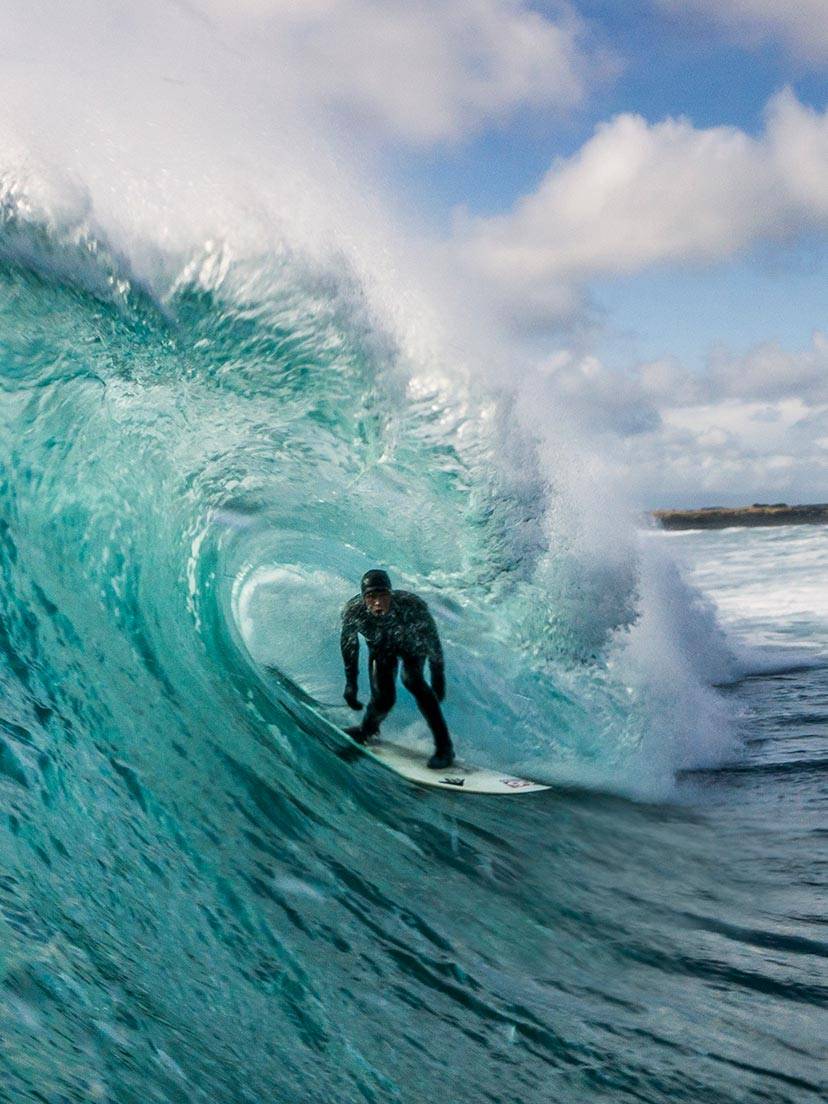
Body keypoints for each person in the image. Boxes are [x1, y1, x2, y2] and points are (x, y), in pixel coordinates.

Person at [340, 569, 455, 769]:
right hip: (381, 650)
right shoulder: (354, 612)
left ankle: (445, 748)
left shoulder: (411, 605)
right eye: (371, 596)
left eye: (383, 595)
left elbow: (432, 638)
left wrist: (438, 676)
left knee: (413, 681)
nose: (378, 602)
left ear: (390, 594)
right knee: (383, 699)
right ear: (364, 598)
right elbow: (350, 647)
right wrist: (351, 684)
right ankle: (367, 730)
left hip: (412, 647)